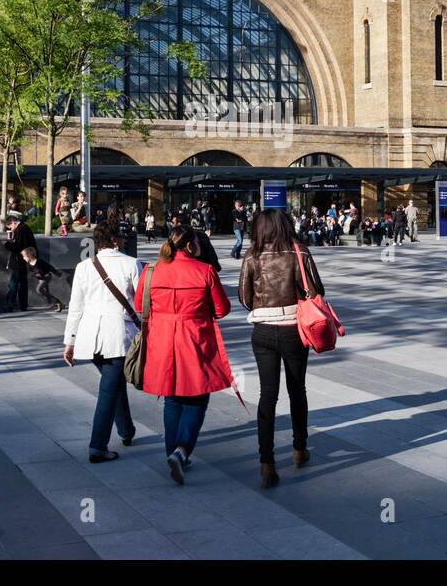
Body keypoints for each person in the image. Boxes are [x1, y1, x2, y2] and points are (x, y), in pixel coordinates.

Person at [134, 226, 234, 486]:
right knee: (197, 398)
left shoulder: (151, 270)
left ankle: (173, 452)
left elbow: (138, 306)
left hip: (162, 340)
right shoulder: (205, 271)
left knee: (172, 399)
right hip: (194, 340)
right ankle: (182, 451)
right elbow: (222, 310)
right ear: (191, 246)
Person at [239, 209, 325, 489]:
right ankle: (299, 448)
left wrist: (265, 307)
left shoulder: (251, 256)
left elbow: (244, 297)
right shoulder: (298, 251)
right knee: (296, 390)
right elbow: (316, 288)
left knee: (268, 396)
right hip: (293, 331)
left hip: (262, 331)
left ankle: (267, 463)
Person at [63, 222, 141, 463]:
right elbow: (141, 303)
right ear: (116, 240)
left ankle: (126, 430)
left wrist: (70, 342)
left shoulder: (84, 266)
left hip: (90, 336)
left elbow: (76, 307)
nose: (124, 239)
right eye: (122, 236)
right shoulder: (131, 264)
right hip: (118, 335)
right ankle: (97, 446)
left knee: (113, 383)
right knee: (109, 389)